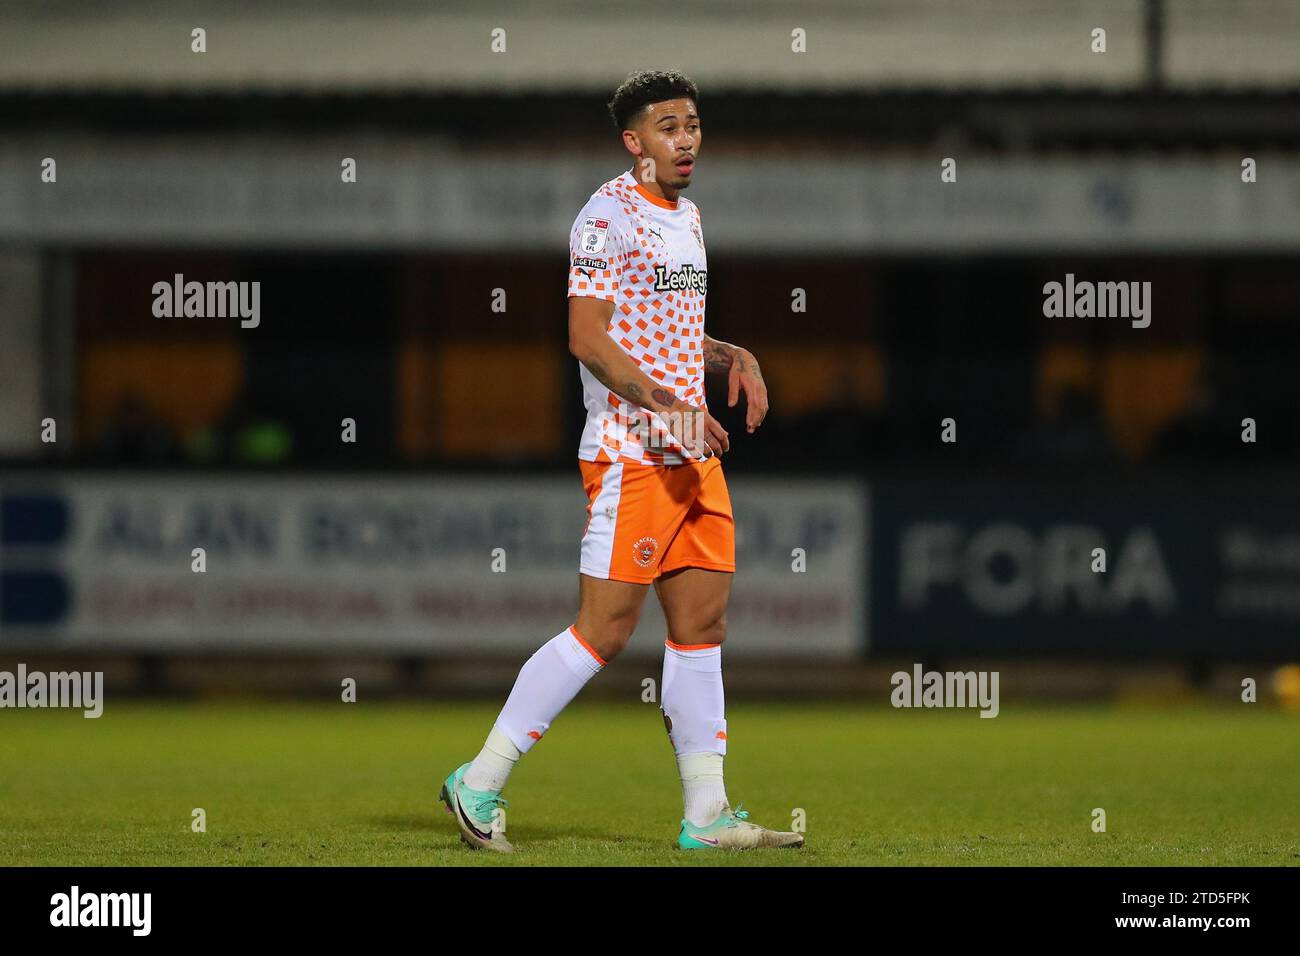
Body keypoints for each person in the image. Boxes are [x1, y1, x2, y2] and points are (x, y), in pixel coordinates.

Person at [439, 70, 801, 852]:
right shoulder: (606, 216)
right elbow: (588, 335)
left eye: (693, 124)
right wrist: (664, 406)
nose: (687, 139)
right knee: (602, 632)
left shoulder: (688, 216)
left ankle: (706, 814)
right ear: (634, 141)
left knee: (702, 625)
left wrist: (730, 353)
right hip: (631, 452)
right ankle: (478, 781)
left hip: (691, 454)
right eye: (669, 127)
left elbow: (664, 325)